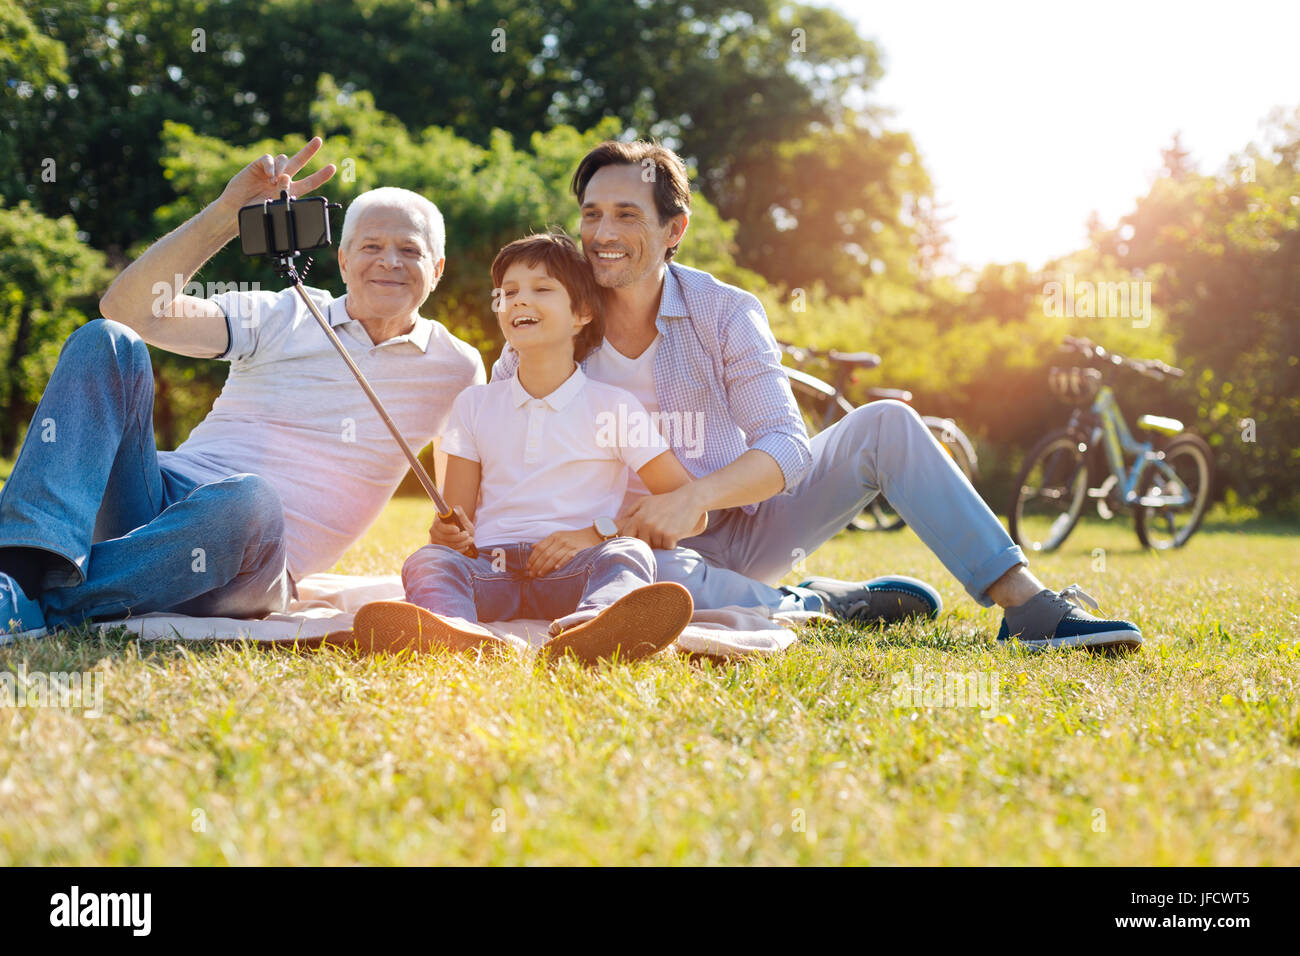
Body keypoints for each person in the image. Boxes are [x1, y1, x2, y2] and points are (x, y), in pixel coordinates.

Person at [489, 141, 1142, 652]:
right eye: (592, 214)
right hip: (624, 555)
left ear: (674, 228)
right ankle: (819, 604)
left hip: (742, 524)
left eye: (626, 214)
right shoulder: (547, 318)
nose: (602, 232)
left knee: (885, 423)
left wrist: (693, 496)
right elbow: (506, 443)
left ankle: (1026, 604)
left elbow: (785, 445)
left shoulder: (724, 311)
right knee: (645, 580)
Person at [0, 137, 484, 641]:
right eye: (371, 247)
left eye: (410, 250)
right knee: (108, 340)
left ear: (438, 269)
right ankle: (19, 575)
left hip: (252, 556)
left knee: (251, 500)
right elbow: (128, 310)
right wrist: (228, 212)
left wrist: (455, 535)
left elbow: (462, 509)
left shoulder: (457, 368)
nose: (389, 262)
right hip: (151, 504)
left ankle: (41, 601)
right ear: (342, 261)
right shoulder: (283, 312)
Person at [349, 233, 701, 664]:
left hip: (574, 570)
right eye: (508, 292)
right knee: (428, 562)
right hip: (491, 569)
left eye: (542, 289)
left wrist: (597, 533)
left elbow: (689, 507)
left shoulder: (614, 407)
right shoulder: (474, 405)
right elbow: (457, 526)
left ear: (582, 313)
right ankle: (455, 634)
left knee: (628, 554)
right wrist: (447, 534)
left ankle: (590, 630)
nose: (518, 301)